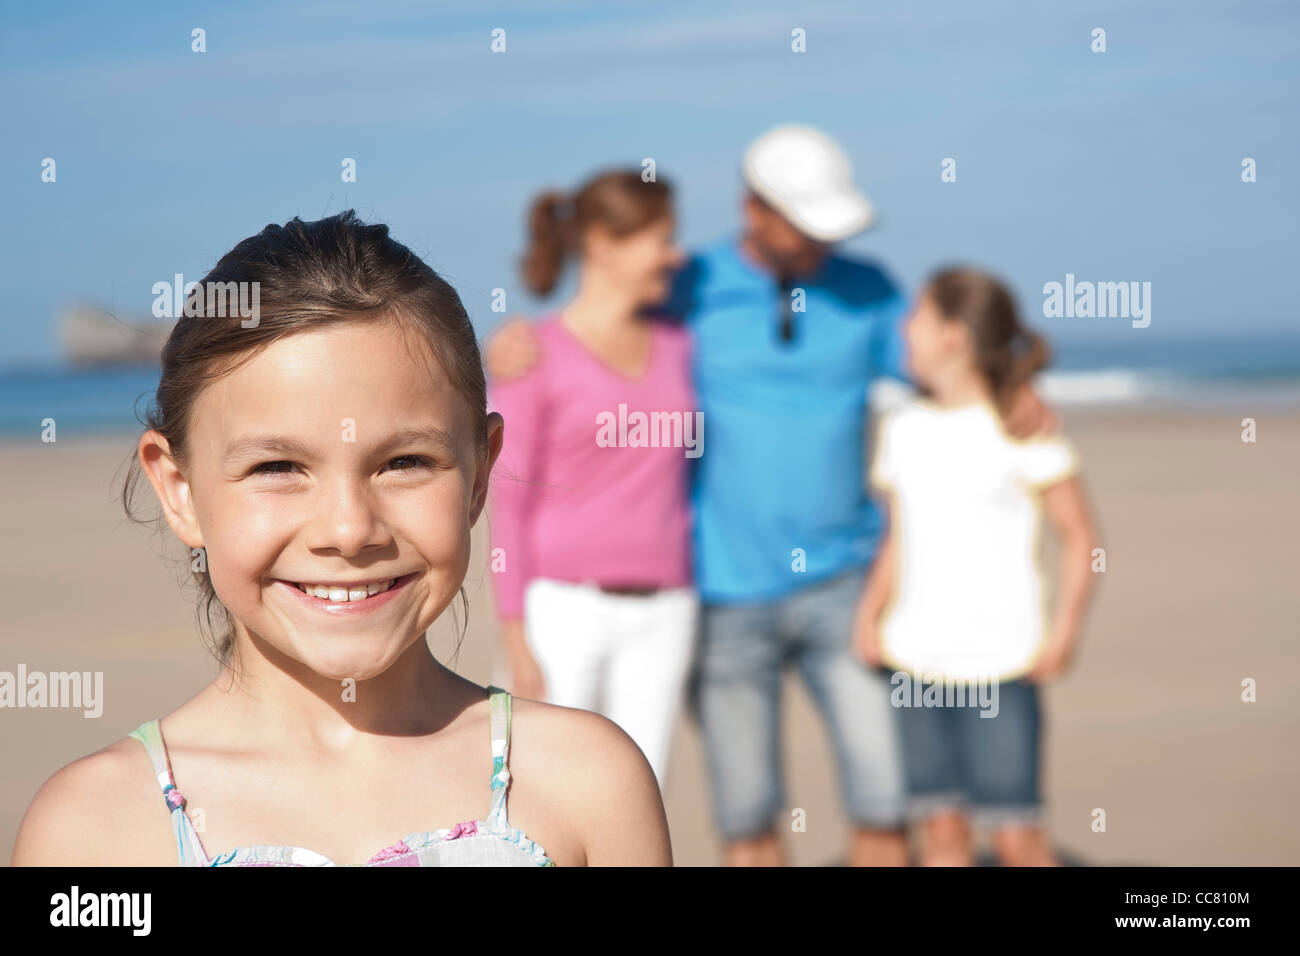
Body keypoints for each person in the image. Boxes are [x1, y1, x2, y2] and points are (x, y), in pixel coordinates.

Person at [11, 211, 669, 867]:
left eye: (405, 462)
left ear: (478, 475)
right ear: (180, 489)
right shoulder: (94, 831)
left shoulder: (585, 785)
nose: (350, 530)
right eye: (277, 468)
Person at [485, 125, 1057, 867]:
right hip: (724, 593)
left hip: (845, 585)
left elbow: (948, 371)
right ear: (755, 209)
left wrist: (1020, 392)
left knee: (885, 798)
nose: (822, 242)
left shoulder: (871, 289)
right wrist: (507, 348)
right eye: (805, 223)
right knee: (746, 812)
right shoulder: (686, 288)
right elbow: (594, 330)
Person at [853, 267, 1099, 866]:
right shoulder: (902, 428)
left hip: (1003, 659)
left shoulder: (1023, 426)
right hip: (914, 656)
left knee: (1018, 835)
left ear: (953, 335)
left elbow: (1081, 538)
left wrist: (1064, 630)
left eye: (917, 317)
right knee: (940, 828)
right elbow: (898, 540)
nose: (904, 330)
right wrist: (869, 616)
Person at [487, 169, 697, 793]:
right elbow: (509, 507)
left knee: (640, 795)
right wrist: (517, 642)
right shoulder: (532, 353)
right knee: (541, 796)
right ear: (604, 242)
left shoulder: (681, 342)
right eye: (660, 239)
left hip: (667, 609)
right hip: (560, 612)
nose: (674, 255)